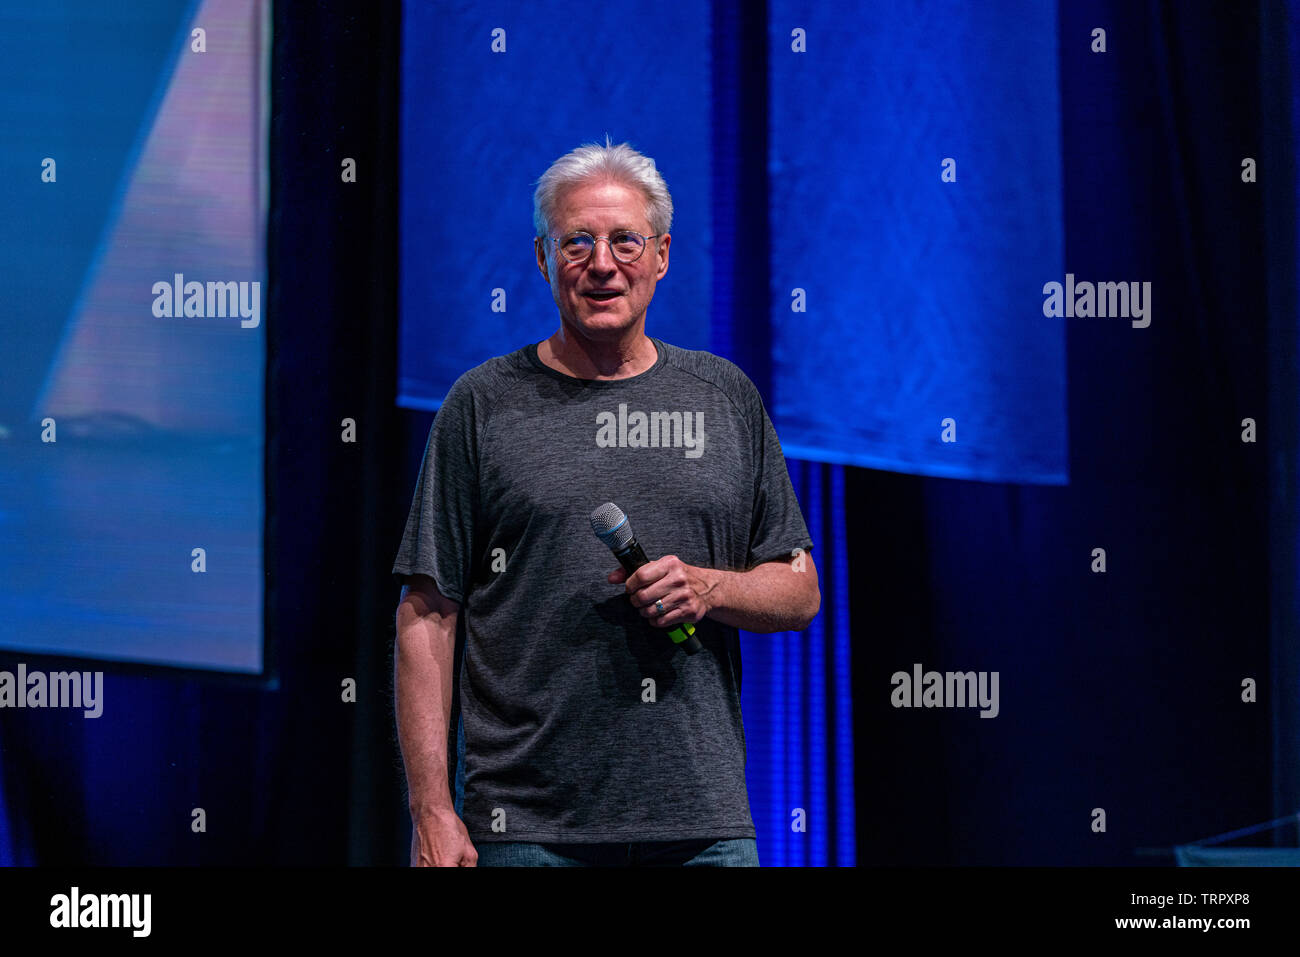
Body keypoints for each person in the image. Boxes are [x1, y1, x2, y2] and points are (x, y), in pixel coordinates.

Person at [392, 138, 819, 867]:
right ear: (541, 258)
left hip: (702, 827)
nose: (602, 262)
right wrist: (432, 808)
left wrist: (710, 586)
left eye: (626, 240)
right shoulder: (481, 404)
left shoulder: (724, 399)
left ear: (661, 255)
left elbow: (800, 590)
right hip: (525, 828)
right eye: (577, 241)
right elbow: (428, 614)